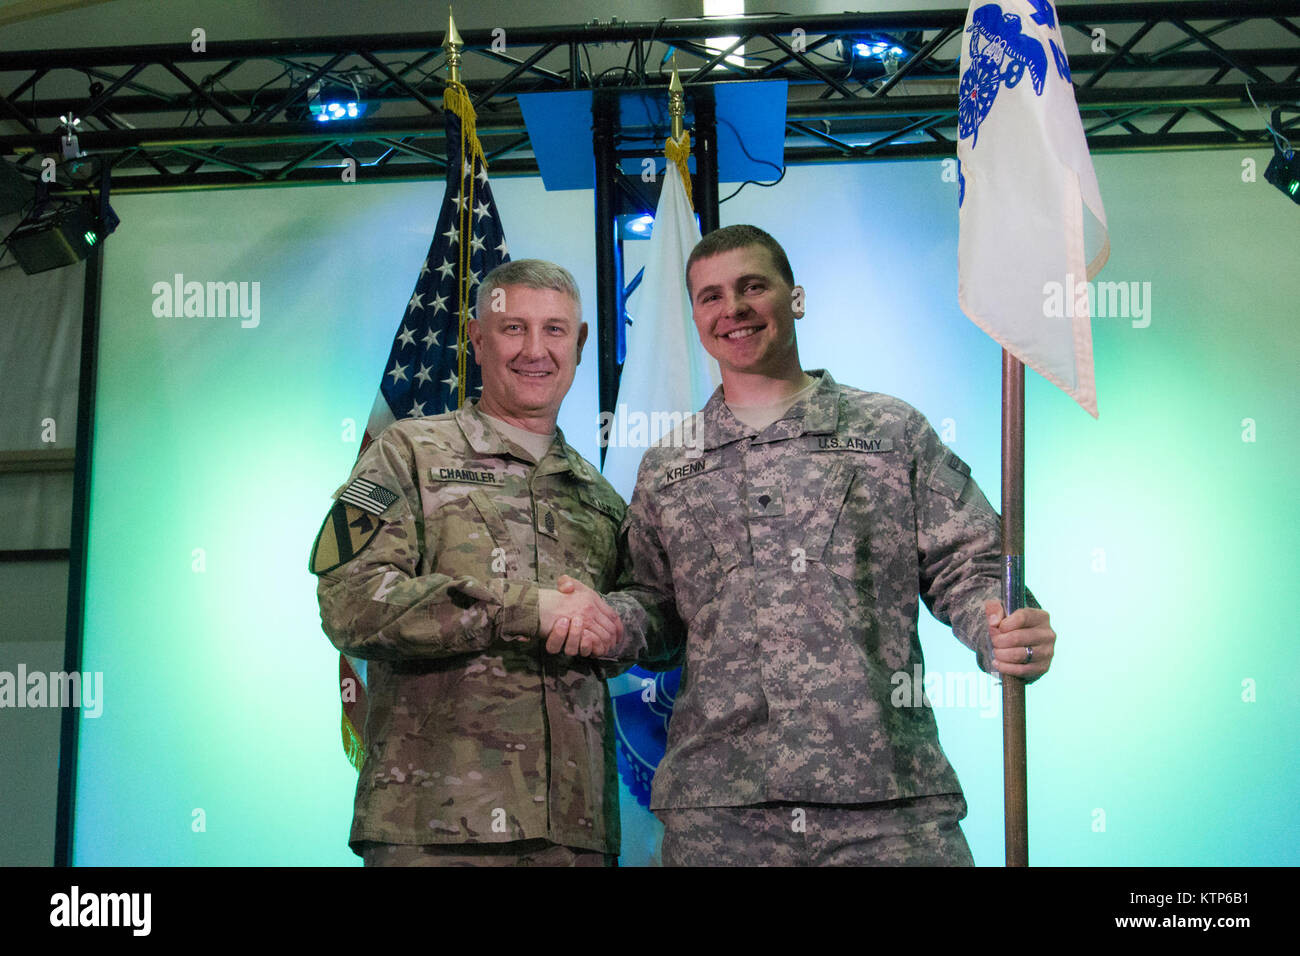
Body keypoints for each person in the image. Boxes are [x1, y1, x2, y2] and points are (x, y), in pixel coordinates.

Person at [554, 224, 1057, 866]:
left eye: (752, 287)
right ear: (697, 316)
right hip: (721, 813)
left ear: (795, 297)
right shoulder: (669, 465)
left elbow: (971, 563)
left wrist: (1001, 627)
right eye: (711, 297)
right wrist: (610, 621)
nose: (733, 309)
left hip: (885, 804)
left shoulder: (890, 432)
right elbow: (656, 606)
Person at [311, 259, 627, 867]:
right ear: (477, 340)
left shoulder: (600, 497)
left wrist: (615, 624)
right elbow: (350, 603)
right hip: (433, 829)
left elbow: (650, 617)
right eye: (514, 329)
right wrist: (523, 609)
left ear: (580, 343)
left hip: (572, 833)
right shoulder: (407, 454)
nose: (535, 350)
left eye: (554, 330)